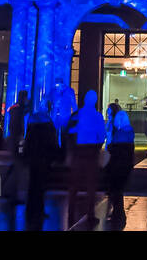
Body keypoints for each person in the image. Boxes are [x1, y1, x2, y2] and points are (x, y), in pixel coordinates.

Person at [66, 90, 105, 229]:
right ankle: (90, 213)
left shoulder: (77, 115)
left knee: (74, 185)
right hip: (91, 153)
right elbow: (102, 135)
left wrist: (72, 149)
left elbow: (69, 132)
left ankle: (70, 212)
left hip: (78, 152)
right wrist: (97, 146)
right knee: (90, 185)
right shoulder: (97, 116)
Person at [20, 99, 60, 230]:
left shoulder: (33, 123)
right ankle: (39, 210)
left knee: (33, 184)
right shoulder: (48, 124)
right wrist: (55, 156)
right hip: (44, 159)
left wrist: (26, 154)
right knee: (41, 185)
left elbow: (28, 141)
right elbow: (52, 143)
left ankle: (31, 210)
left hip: (34, 158)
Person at [105, 108, 136, 227]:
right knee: (119, 190)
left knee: (115, 190)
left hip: (117, 165)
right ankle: (119, 213)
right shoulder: (130, 132)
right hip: (126, 165)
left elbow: (114, 149)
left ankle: (118, 214)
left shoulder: (120, 133)